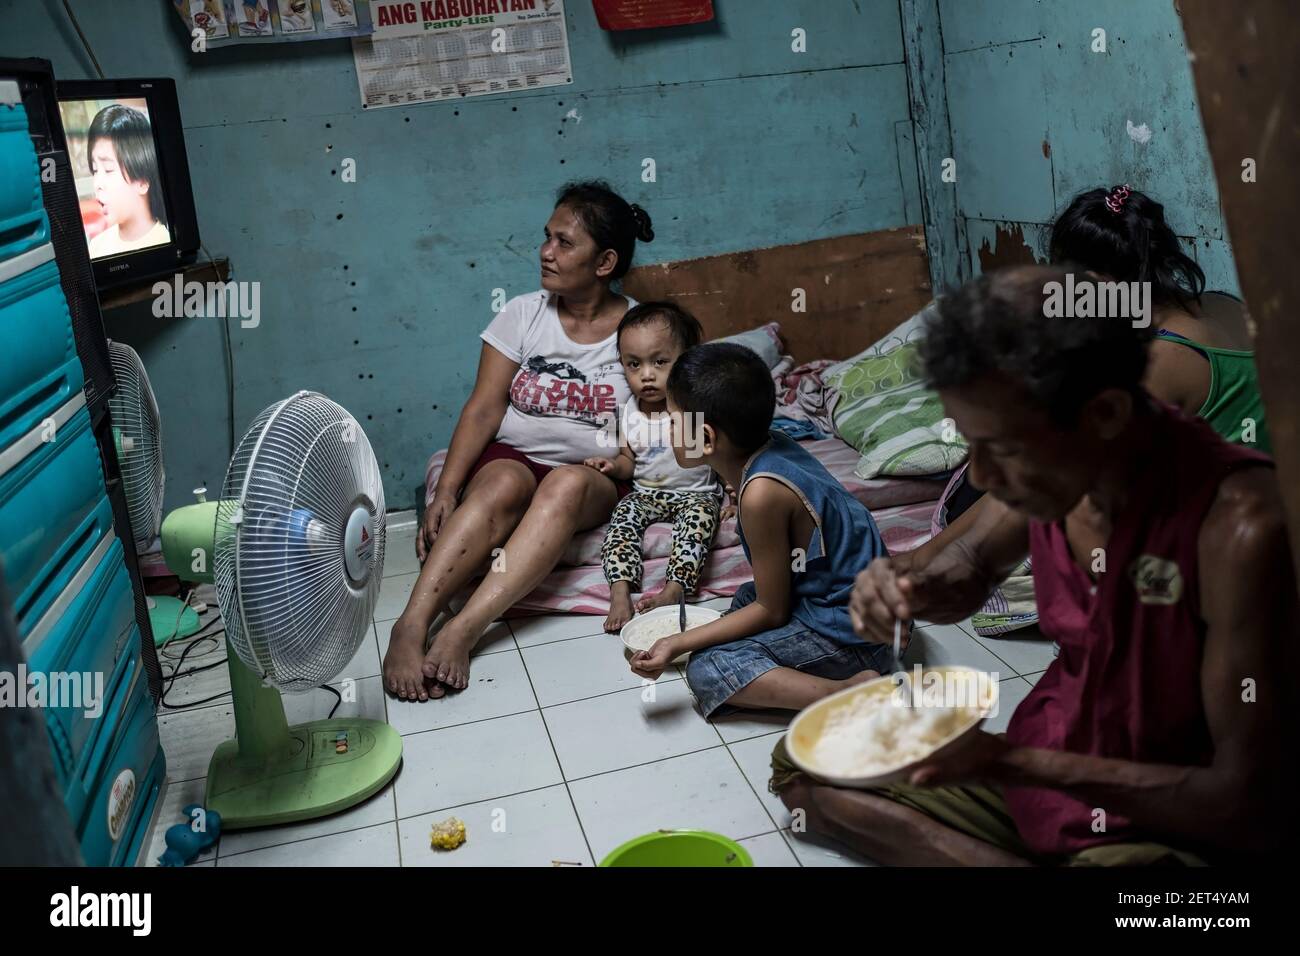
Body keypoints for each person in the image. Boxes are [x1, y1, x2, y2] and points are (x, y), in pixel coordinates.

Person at [771, 265, 1295, 865]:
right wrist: (895, 586)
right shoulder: (1056, 469)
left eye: (1003, 448)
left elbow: (1248, 802)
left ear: (1105, 414)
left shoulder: (1241, 529)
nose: (984, 477)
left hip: (1175, 819)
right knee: (807, 769)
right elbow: (965, 564)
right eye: (973, 444)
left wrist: (1009, 764)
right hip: (1052, 766)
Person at [382, 181, 653, 701]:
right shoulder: (523, 313)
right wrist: (446, 491)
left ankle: (464, 629)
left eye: (564, 242)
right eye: (546, 237)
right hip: (513, 457)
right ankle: (412, 625)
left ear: (605, 262)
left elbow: (669, 409)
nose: (545, 252)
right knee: (504, 481)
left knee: (565, 486)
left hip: (592, 474)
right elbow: (484, 406)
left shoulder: (639, 329)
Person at [629, 343, 894, 717]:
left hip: (861, 638)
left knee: (709, 668)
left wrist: (676, 643)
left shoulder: (761, 495)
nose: (666, 429)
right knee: (743, 597)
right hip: (870, 607)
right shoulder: (771, 447)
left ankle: (848, 691)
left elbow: (772, 611)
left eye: (672, 421)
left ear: (706, 438)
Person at [587, 302, 731, 633]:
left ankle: (676, 587)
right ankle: (620, 590)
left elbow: (714, 456)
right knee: (621, 522)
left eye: (660, 362)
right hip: (647, 494)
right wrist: (611, 465)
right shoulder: (629, 412)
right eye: (634, 365)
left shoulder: (692, 409)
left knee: (697, 526)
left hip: (695, 494)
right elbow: (628, 461)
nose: (647, 375)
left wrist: (732, 494)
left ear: (686, 361)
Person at [84, 105, 171, 258]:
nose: (97, 183)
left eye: (108, 169)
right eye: (95, 170)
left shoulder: (165, 241)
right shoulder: (96, 247)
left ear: (143, 181)